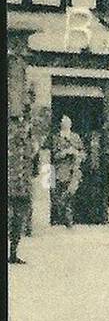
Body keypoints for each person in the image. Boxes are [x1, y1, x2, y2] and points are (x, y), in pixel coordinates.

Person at [8, 82, 39, 263]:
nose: (22, 130)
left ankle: (13, 253)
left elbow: (35, 163)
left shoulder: (29, 144)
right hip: (10, 184)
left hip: (22, 186)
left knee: (18, 220)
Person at [50, 115, 86, 228]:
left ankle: (69, 220)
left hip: (74, 171)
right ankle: (63, 219)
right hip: (61, 171)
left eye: (68, 122)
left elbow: (83, 155)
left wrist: (76, 153)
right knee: (59, 196)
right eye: (64, 122)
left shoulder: (76, 137)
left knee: (70, 194)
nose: (66, 124)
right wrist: (64, 153)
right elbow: (53, 156)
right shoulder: (56, 138)